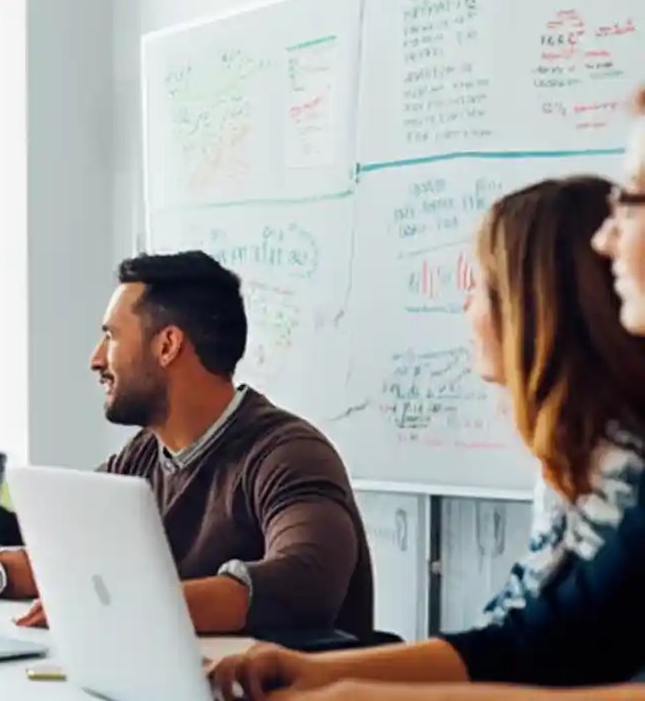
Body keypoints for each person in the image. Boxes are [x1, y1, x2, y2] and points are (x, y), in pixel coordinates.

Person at [210, 174, 645, 700]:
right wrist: (320, 672)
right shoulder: (576, 464)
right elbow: (527, 640)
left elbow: (543, 652)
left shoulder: (628, 472)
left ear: (533, 305)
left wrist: (366, 693)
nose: (466, 307)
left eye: (479, 285)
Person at [0, 252, 375, 638]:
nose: (96, 360)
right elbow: (60, 552)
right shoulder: (141, 456)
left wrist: (124, 606)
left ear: (167, 345)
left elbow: (304, 583)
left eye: (111, 336)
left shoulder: (289, 455)